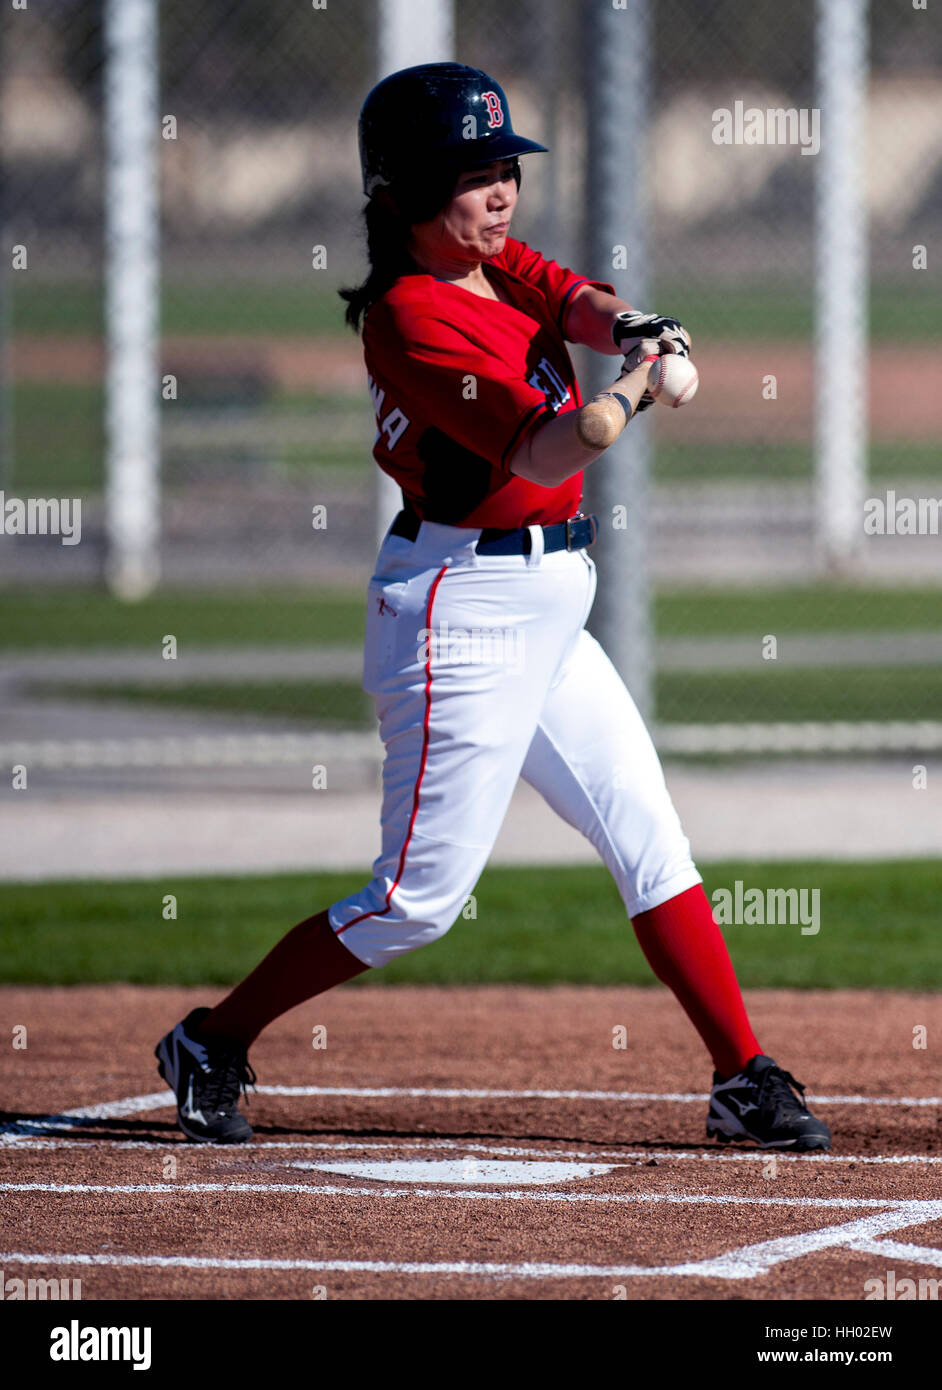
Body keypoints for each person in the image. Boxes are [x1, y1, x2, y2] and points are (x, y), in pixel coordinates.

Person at [156, 63, 830, 1154]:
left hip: (553, 594)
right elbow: (547, 443)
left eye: (504, 168)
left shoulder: (492, 265)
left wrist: (635, 325)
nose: (500, 192)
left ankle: (740, 1076)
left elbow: (573, 292)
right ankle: (211, 1038)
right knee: (417, 898)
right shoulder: (411, 319)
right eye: (473, 176)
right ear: (410, 192)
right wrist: (633, 389)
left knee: (651, 842)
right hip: (458, 606)